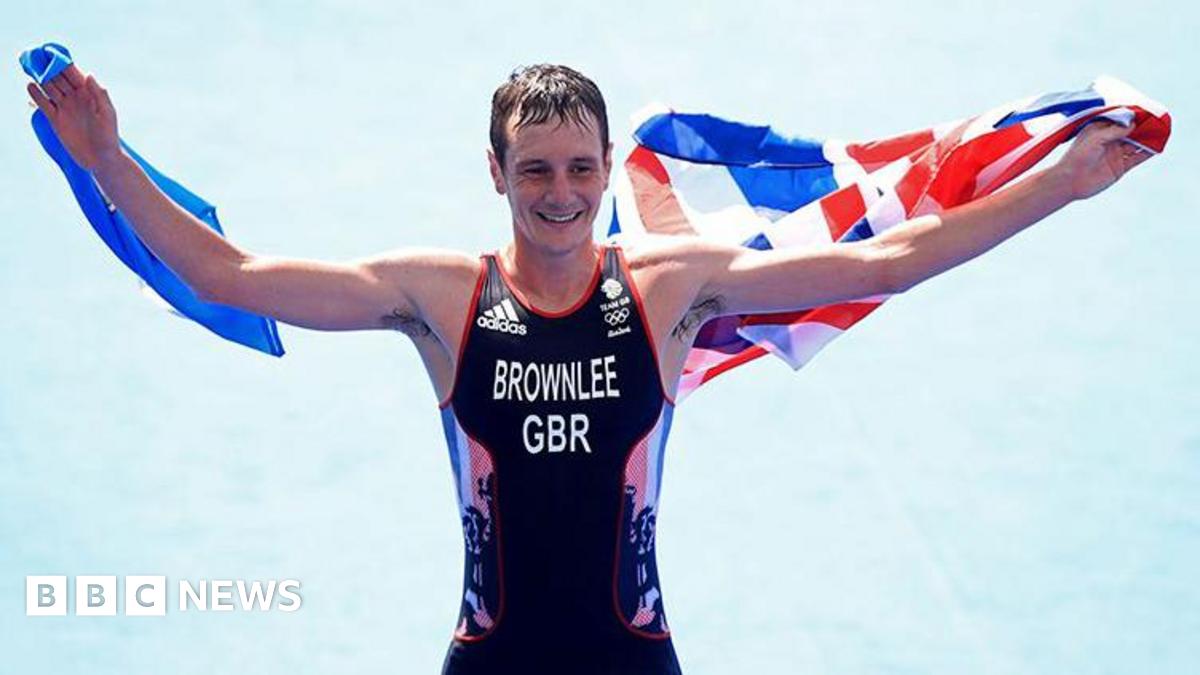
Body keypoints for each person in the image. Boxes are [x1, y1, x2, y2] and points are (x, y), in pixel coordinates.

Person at [26, 62, 1152, 675]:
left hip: (634, 664)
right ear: (495, 173)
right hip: (490, 665)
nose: (558, 193)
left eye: (577, 169)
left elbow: (893, 258)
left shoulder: (665, 288)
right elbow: (231, 273)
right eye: (533, 172)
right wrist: (107, 158)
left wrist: (1055, 185)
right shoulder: (441, 298)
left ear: (607, 168)